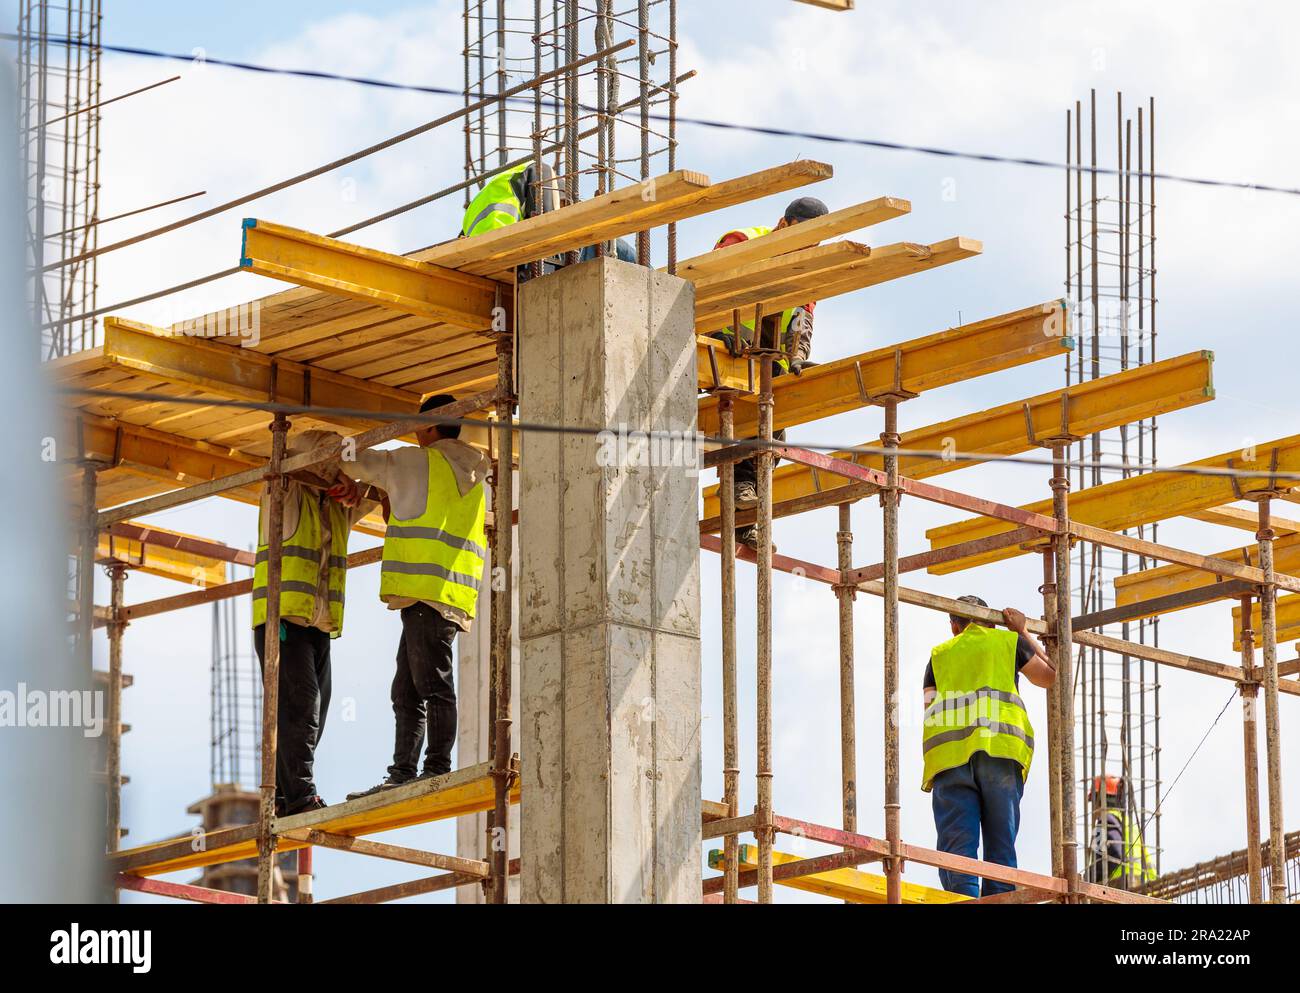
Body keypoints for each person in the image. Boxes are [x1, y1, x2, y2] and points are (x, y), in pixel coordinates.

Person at [335, 395, 490, 798]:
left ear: (427, 425)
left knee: (432, 685)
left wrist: (337, 443)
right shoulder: (472, 470)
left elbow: (354, 460)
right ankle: (403, 771)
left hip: (423, 592)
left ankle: (435, 768)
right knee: (407, 690)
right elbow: (408, 497)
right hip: (449, 592)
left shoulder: (414, 461)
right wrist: (373, 490)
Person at [251, 430, 370, 816]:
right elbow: (289, 466)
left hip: (319, 622)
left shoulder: (334, 504)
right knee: (301, 704)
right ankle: (300, 795)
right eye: (329, 463)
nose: (335, 470)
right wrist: (338, 480)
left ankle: (287, 797)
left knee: (315, 710)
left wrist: (356, 488)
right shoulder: (283, 489)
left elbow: (373, 493)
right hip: (282, 615)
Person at [708, 196, 829, 550]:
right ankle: (741, 496)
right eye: (805, 234)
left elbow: (803, 318)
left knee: (772, 429)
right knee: (745, 416)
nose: (809, 245)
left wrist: (798, 356)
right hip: (722, 346)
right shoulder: (745, 241)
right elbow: (709, 287)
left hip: (763, 359)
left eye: (816, 240)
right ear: (784, 224)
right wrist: (721, 332)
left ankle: (745, 520)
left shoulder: (805, 267)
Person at [921, 595, 1057, 897]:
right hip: (1001, 752)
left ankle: (962, 901)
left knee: (957, 850)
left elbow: (929, 707)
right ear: (990, 620)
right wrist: (1022, 631)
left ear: (954, 625)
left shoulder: (939, 656)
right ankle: (1000, 901)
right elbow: (1053, 675)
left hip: (949, 759)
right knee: (1001, 845)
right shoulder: (1007, 643)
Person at [1088, 775, 1156, 889]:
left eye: (1093, 800)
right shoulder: (1129, 824)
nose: (1093, 807)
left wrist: (1088, 880)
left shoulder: (1105, 820)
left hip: (1121, 885)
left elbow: (1111, 855)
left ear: (1101, 800)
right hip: (1143, 888)